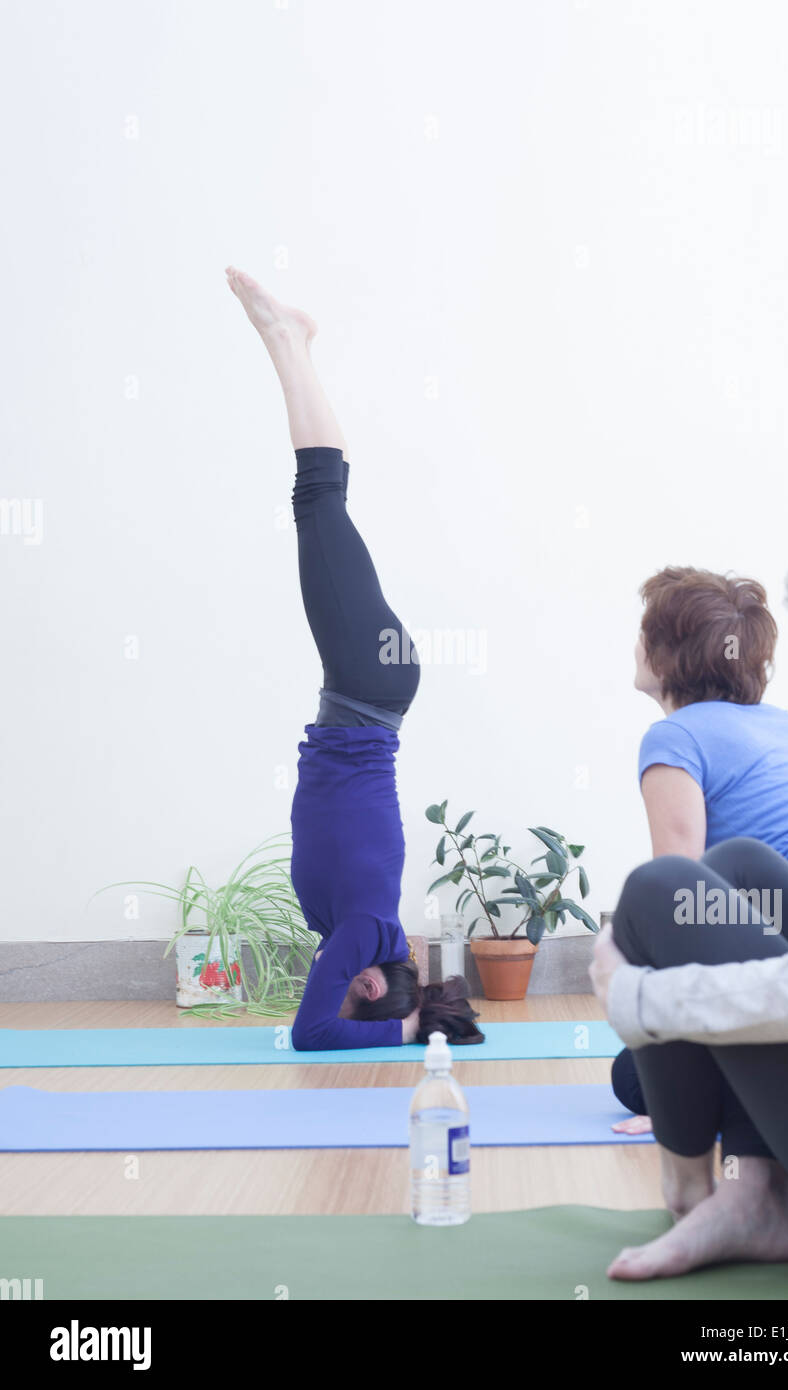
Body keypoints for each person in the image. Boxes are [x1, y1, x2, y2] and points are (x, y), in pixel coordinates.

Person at [591, 535, 788, 1278]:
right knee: (739, 867)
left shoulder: (673, 735)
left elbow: (673, 882)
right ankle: (759, 1194)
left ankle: (689, 1182)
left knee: (653, 902)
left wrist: (637, 997)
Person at [225, 266, 483, 1051]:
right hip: (369, 686)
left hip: (368, 686)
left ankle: (289, 342)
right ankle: (288, 339)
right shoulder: (365, 936)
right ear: (367, 987)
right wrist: (407, 1033)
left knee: (318, 503)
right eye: (349, 995)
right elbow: (309, 1036)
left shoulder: (362, 929)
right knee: (318, 500)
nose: (331, 986)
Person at [613, 566, 788, 1131]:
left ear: (668, 653)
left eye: (647, 630)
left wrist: (674, 1086)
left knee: (631, 1077)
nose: (637, 642)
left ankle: (752, 1092)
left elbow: (676, 896)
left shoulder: (673, 737)